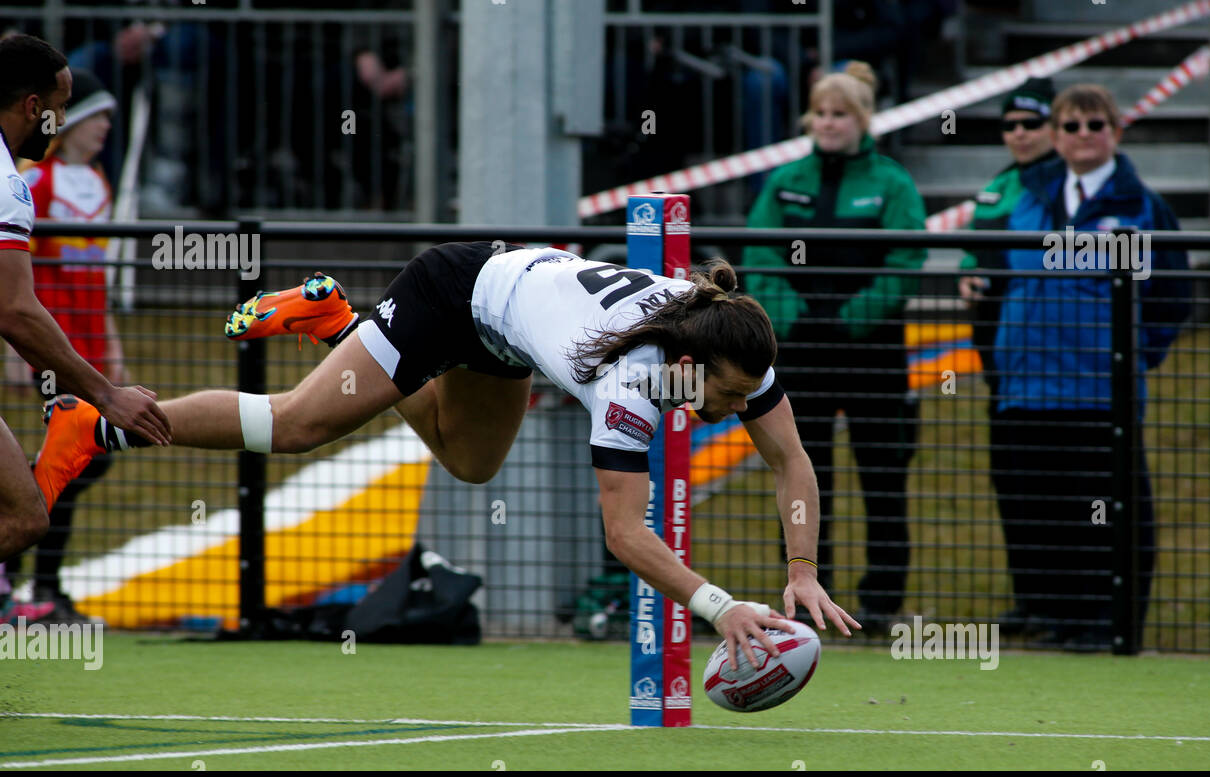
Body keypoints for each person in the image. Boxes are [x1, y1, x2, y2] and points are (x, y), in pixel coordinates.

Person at [35, 242, 861, 668]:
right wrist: (722, 608)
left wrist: (801, 570)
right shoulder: (632, 387)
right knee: (298, 425)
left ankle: (336, 325)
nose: (727, 412)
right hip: (453, 293)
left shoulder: (731, 345)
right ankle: (92, 423)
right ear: (687, 366)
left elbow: (791, 459)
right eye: (719, 398)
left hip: (501, 333)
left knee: (472, 464)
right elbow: (626, 535)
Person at [989, 84, 1190, 649]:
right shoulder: (1029, 195)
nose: (1083, 136)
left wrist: (1124, 357)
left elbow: (1173, 297)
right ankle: (1060, 619)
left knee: (1106, 508)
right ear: (1055, 136)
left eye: (1095, 125)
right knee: (1044, 510)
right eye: (1071, 126)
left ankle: (1108, 624)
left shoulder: (1143, 205)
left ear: (1116, 131)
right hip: (1026, 388)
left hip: (1099, 391)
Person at [741, 61, 926, 634]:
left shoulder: (893, 182)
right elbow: (760, 255)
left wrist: (849, 318)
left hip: (872, 353)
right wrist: (793, 317)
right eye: (820, 112)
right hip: (799, 353)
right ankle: (810, 596)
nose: (828, 122)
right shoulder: (783, 179)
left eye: (840, 113)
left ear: (863, 119)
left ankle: (880, 601)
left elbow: (907, 261)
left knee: (883, 474)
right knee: (798, 468)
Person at [0, 34, 170, 565]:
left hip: (82, 336)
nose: (67, 119)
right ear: (34, 107)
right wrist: (108, 394)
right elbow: (14, 307)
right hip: (59, 349)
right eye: (62, 107)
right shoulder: (14, 185)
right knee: (26, 517)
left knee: (28, 511)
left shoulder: (89, 181)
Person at [7, 68, 126, 624]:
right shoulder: (37, 181)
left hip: (92, 344)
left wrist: (113, 342)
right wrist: (16, 351)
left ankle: (39, 584)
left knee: (78, 461)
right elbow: (14, 283)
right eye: (96, 115)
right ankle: (35, 586)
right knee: (74, 462)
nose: (104, 126)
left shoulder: (99, 185)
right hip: (51, 345)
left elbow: (98, 274)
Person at [956, 76, 1060, 635]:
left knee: (1052, 484)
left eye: (1031, 123)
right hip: (999, 359)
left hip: (1047, 357)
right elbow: (971, 252)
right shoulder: (998, 185)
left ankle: (1062, 604)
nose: (1019, 134)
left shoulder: (1062, 186)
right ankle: (1031, 600)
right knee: (1011, 477)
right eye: (1010, 125)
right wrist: (969, 275)